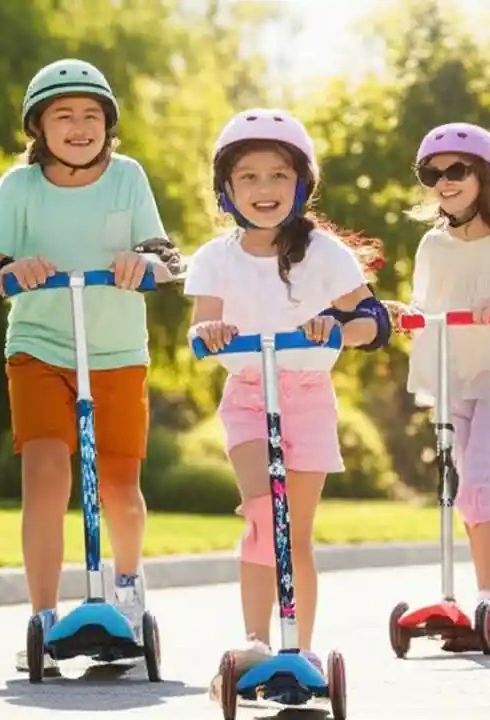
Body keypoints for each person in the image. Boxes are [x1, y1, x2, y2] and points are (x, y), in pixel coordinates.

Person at [0, 58, 184, 676]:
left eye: (91, 115)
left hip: (115, 351)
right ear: (39, 127)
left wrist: (144, 265)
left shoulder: (128, 178)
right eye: (64, 115)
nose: (79, 126)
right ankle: (42, 616)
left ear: (109, 124)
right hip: (38, 344)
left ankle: (130, 594)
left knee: (118, 483)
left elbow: (167, 257)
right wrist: (9, 272)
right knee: (44, 475)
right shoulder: (19, 187)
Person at [184, 108, 391, 691]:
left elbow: (373, 322)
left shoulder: (324, 253)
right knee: (260, 518)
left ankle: (297, 645)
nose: (264, 189)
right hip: (249, 393)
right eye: (248, 177)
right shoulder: (214, 259)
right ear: (226, 190)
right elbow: (200, 331)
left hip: (306, 395)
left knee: (294, 531)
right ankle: (254, 642)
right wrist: (212, 334)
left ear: (301, 184)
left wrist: (338, 329)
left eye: (278, 175)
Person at [386, 122, 490, 639]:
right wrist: (404, 314)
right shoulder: (433, 245)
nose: (443, 182)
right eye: (433, 173)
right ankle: (479, 595)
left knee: (479, 478)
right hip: (451, 374)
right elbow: (426, 306)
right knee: (462, 486)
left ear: (485, 177)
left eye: (456, 171)